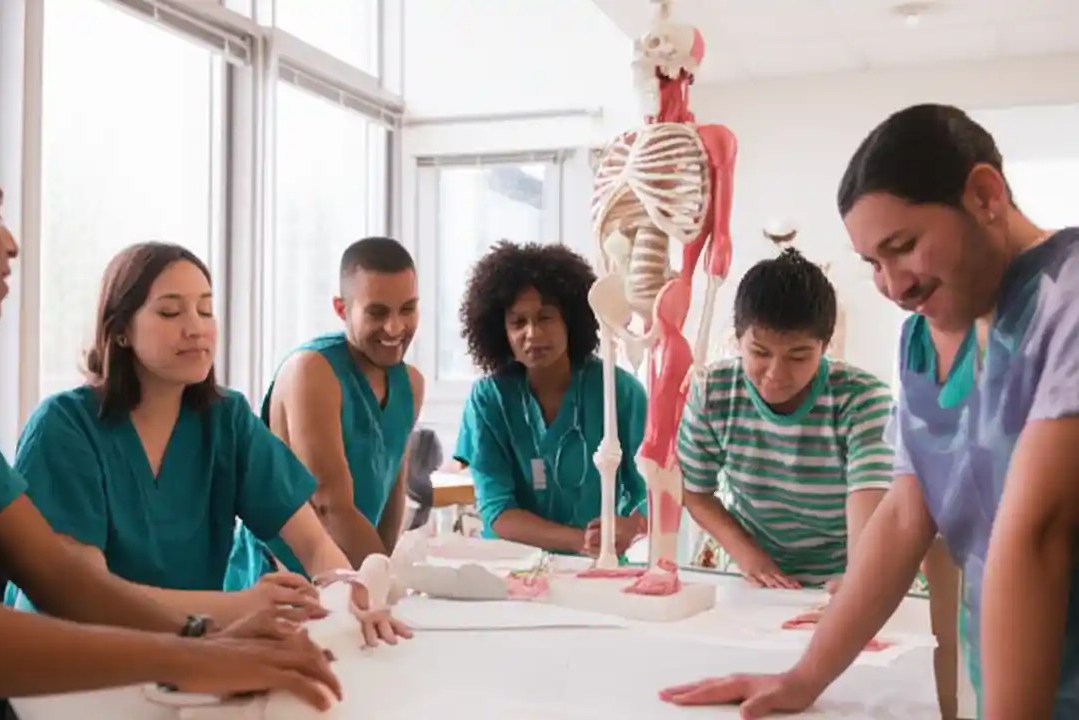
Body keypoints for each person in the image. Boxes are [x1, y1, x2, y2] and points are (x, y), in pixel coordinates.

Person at [0, 100, 337, 720]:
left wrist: (202, 636)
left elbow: (60, 575)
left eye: (204, 307)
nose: (11, 242)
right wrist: (195, 657)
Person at [660, 103, 1079, 719]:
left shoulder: (1065, 302)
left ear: (986, 195)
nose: (894, 286)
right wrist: (803, 680)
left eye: (903, 247)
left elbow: (1038, 533)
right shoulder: (923, 341)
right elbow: (905, 516)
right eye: (872, 264)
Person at [5, 242, 410, 647]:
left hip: (181, 655)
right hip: (69, 667)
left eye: (205, 309)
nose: (195, 327)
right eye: (170, 311)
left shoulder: (226, 420)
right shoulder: (64, 428)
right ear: (121, 330)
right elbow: (83, 596)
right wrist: (240, 607)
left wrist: (347, 591)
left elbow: (313, 542)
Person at [677, 248, 894, 589]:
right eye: (760, 353)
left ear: (825, 346)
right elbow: (695, 491)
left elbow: (871, 502)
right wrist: (750, 557)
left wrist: (859, 583)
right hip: (754, 574)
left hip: (849, 571)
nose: (775, 374)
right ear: (738, 340)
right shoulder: (712, 392)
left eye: (798, 356)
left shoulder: (863, 401)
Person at [226, 237, 425, 589]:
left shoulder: (410, 383)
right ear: (341, 308)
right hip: (279, 584)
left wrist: (383, 572)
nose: (395, 328)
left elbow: (393, 487)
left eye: (407, 309)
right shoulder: (312, 371)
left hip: (355, 581)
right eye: (377, 312)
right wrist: (388, 587)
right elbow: (331, 505)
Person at [452, 241, 648, 556]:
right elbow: (498, 511)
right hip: (511, 569)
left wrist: (633, 524)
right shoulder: (489, 400)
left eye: (545, 318)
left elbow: (654, 490)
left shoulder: (619, 392)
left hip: (597, 569)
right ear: (500, 331)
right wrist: (580, 541)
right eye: (518, 322)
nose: (532, 333)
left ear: (570, 321)